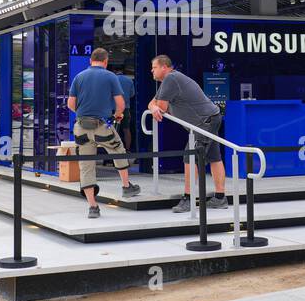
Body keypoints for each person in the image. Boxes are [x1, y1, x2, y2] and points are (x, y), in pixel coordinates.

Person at [148, 54, 229, 213]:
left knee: (190, 156)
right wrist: (153, 107)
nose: (152, 71)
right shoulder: (169, 81)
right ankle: (220, 197)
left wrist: (156, 107)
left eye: (154, 67)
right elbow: (152, 103)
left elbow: (161, 107)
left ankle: (188, 198)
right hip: (210, 119)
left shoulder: (171, 79)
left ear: (164, 67)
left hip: (204, 122)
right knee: (214, 156)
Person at [67, 48, 140, 219]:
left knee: (86, 165)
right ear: (105, 61)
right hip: (102, 125)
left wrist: (83, 112)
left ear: (91, 60)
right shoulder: (110, 76)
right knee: (118, 150)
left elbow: (71, 103)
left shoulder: (79, 77)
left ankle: (93, 207)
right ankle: (126, 186)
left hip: (81, 128)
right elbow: (121, 103)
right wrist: (117, 115)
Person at [112, 65, 136, 151]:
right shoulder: (129, 80)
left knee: (112, 131)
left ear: (114, 70)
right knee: (126, 130)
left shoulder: (112, 79)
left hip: (113, 108)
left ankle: (113, 151)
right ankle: (127, 149)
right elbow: (132, 94)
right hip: (126, 108)